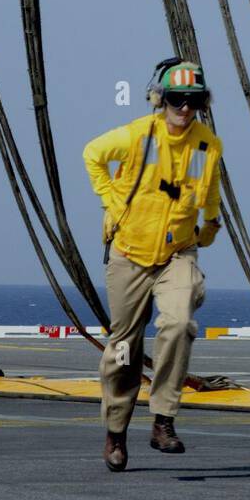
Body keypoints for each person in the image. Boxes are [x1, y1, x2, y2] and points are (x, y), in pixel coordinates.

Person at [83, 58, 223, 472]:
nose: (184, 108)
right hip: (129, 252)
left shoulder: (205, 145)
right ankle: (116, 430)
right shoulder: (137, 137)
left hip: (176, 253)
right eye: (176, 99)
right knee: (124, 347)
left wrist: (211, 223)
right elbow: (92, 154)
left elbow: (206, 191)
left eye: (193, 100)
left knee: (179, 322)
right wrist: (112, 203)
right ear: (160, 100)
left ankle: (163, 419)